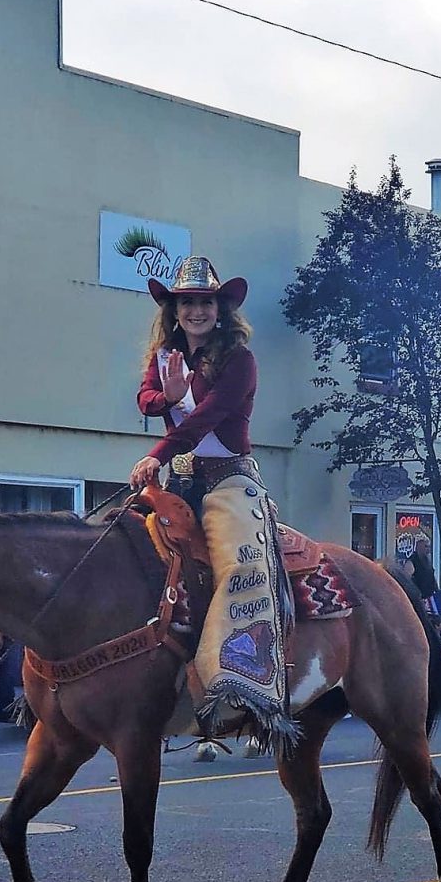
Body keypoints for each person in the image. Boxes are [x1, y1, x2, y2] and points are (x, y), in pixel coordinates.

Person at [128, 256, 296, 754]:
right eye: (186, 302)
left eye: (205, 302)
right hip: (179, 481)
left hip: (228, 479)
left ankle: (246, 690)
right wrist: (167, 397)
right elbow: (145, 399)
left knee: (240, 567)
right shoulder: (164, 356)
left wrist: (157, 453)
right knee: (125, 549)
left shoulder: (239, 360)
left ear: (220, 309)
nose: (196, 311)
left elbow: (208, 416)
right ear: (174, 310)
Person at [408, 536, 438, 600]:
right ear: (419, 548)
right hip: (418, 599)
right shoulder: (412, 562)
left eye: (429, 547)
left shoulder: (427, 561)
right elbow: (406, 580)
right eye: (426, 546)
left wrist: (438, 591)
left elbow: (432, 577)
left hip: (429, 597)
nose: (428, 550)